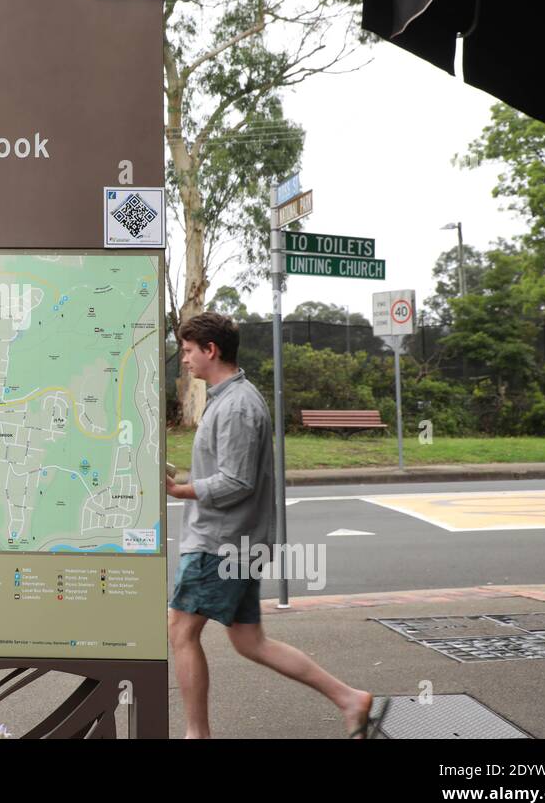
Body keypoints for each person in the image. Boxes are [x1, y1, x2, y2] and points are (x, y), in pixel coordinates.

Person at [165, 312, 385, 739]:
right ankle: (349, 698)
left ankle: (197, 735)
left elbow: (236, 481)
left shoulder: (237, 406)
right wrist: (185, 484)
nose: (185, 360)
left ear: (211, 350)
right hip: (233, 538)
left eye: (189, 351)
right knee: (250, 642)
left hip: (221, 542)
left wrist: (179, 492)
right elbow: (228, 473)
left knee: (180, 628)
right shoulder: (227, 399)